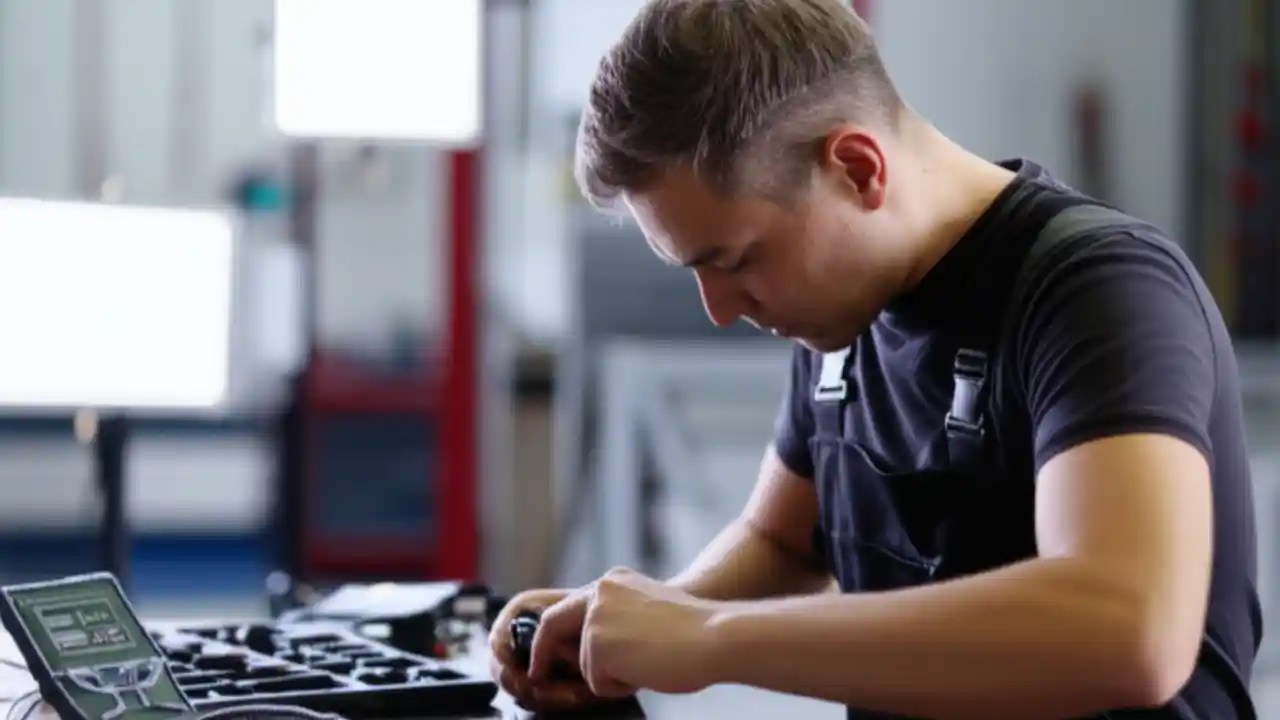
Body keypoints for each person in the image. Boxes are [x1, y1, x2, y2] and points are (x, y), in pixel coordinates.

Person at [488, 1, 1263, 717]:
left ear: (857, 168)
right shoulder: (843, 316)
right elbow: (781, 544)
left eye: (734, 260)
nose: (720, 309)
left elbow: (1130, 629)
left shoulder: (1098, 293)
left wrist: (710, 636)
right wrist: (637, 621)